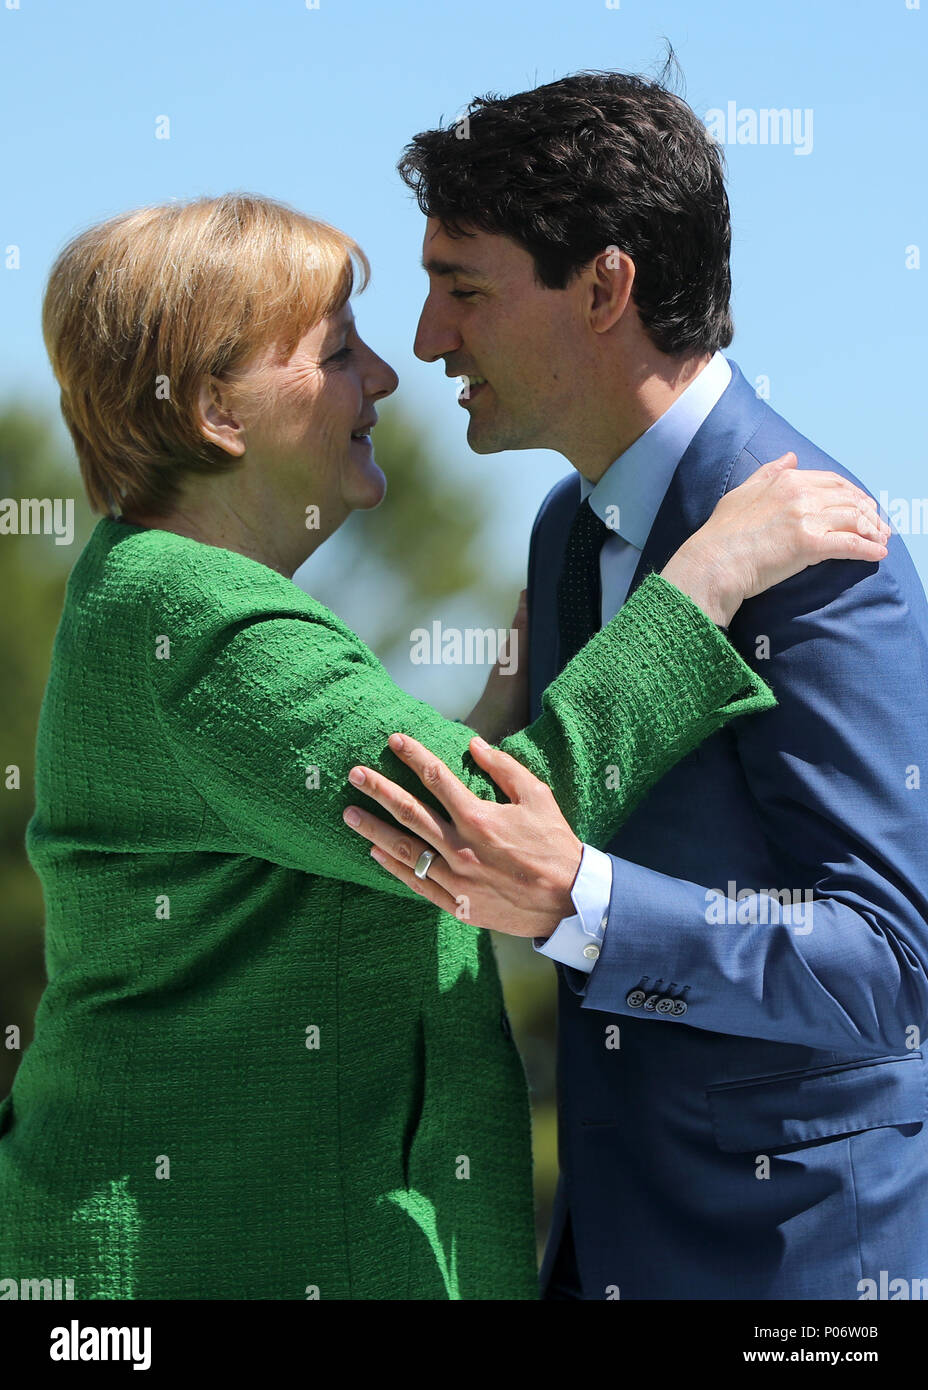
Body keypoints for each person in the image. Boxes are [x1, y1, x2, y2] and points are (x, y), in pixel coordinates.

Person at [0, 193, 885, 1301]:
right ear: (219, 412)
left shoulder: (159, 598)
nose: (384, 374)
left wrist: (514, 684)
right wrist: (700, 581)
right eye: (335, 352)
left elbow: (342, 844)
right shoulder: (200, 623)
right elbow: (487, 831)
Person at [346, 69, 928, 1300]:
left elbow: (892, 968)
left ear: (604, 287)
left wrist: (581, 898)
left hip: (795, 1270)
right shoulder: (564, 529)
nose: (426, 339)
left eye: (461, 288)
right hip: (604, 1242)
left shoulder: (826, 545)